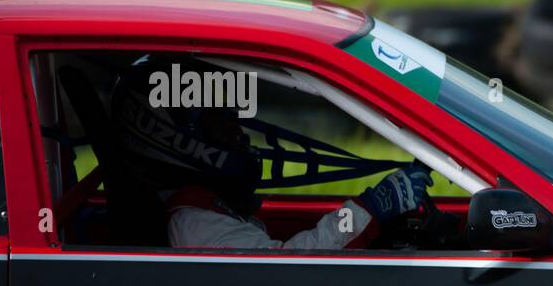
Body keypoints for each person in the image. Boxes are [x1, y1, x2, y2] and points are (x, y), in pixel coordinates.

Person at [112, 65, 431, 250]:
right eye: (219, 121)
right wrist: (372, 207)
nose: (238, 133)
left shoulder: (197, 208)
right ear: (173, 136)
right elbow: (289, 269)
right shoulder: (194, 224)